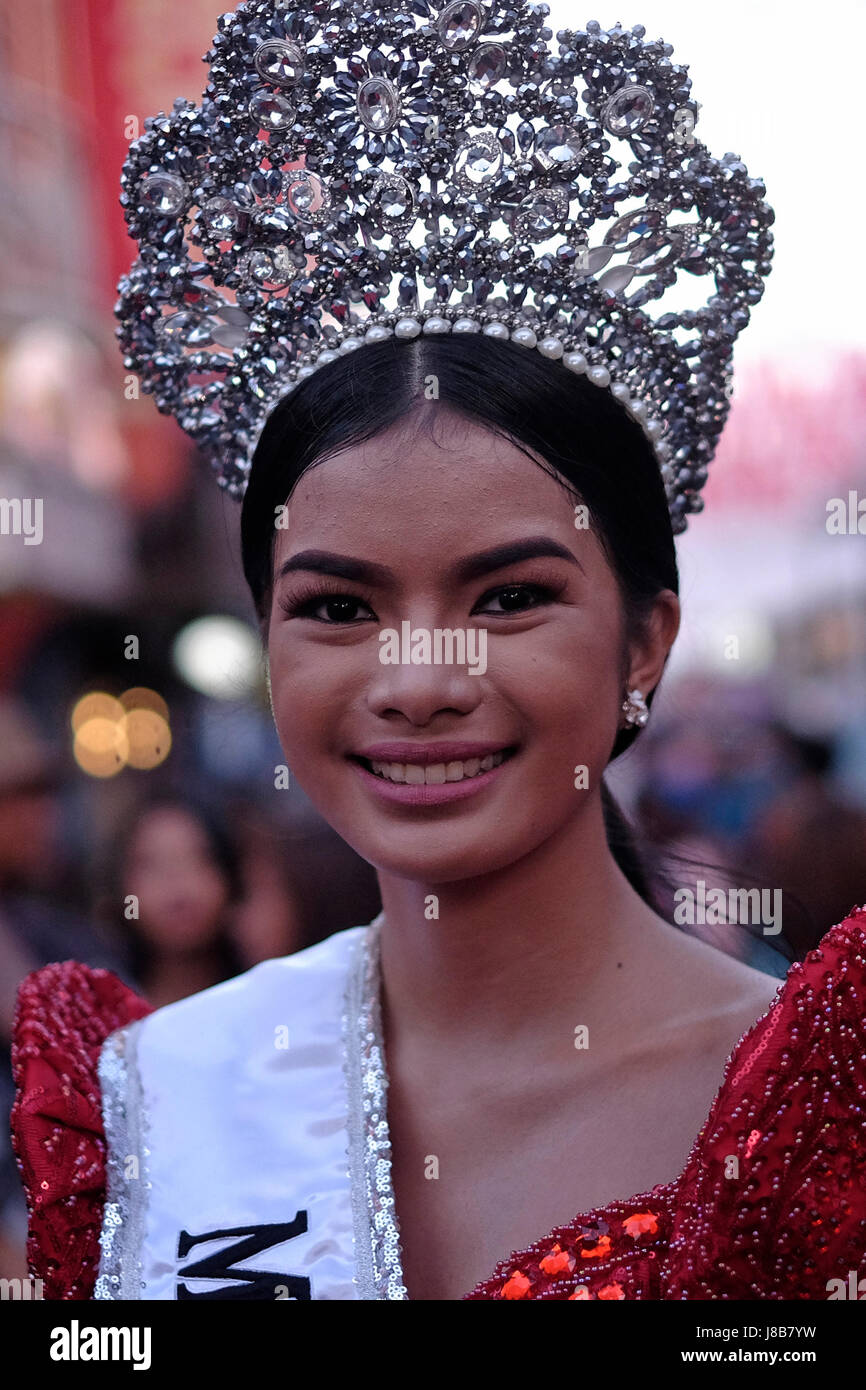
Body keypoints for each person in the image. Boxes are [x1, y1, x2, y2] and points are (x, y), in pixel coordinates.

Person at [10, 6, 866, 1301]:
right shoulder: (156, 1099)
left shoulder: (821, 1104)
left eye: (509, 595)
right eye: (337, 609)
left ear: (646, 637)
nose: (413, 677)